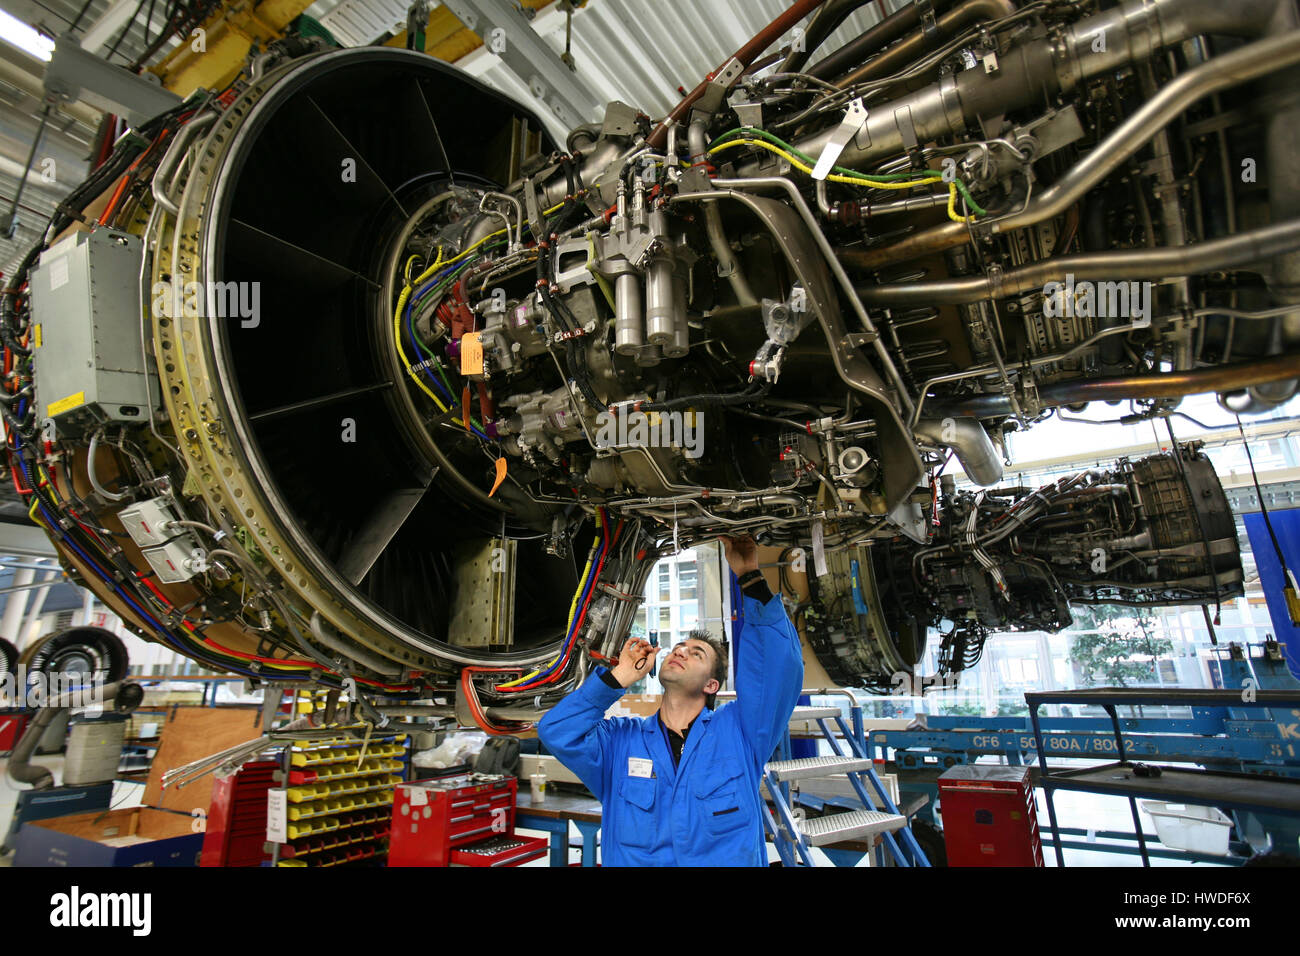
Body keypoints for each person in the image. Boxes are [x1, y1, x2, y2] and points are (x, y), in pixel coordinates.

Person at [537, 534, 803, 866]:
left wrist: (749, 575)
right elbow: (557, 731)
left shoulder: (740, 732)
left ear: (711, 684)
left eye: (696, 653)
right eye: (679, 647)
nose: (680, 651)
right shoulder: (621, 742)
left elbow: (780, 668)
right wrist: (617, 678)